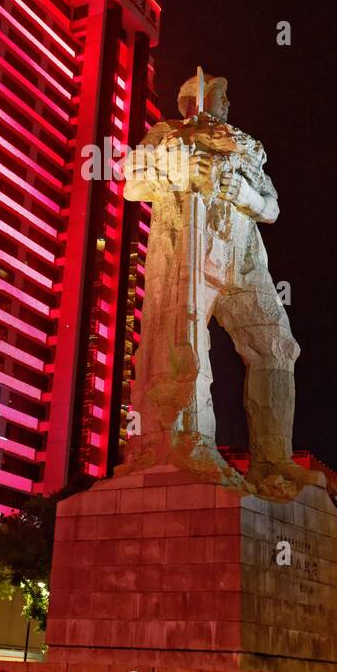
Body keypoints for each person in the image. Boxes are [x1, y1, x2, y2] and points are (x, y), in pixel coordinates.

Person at [122, 71, 299, 489]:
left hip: (245, 253)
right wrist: (178, 172)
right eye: (220, 98)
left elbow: (271, 208)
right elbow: (133, 183)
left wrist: (244, 194)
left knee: (276, 346)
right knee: (185, 340)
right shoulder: (165, 135)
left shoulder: (245, 144)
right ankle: (189, 442)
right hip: (190, 243)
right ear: (191, 102)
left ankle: (273, 460)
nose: (227, 106)